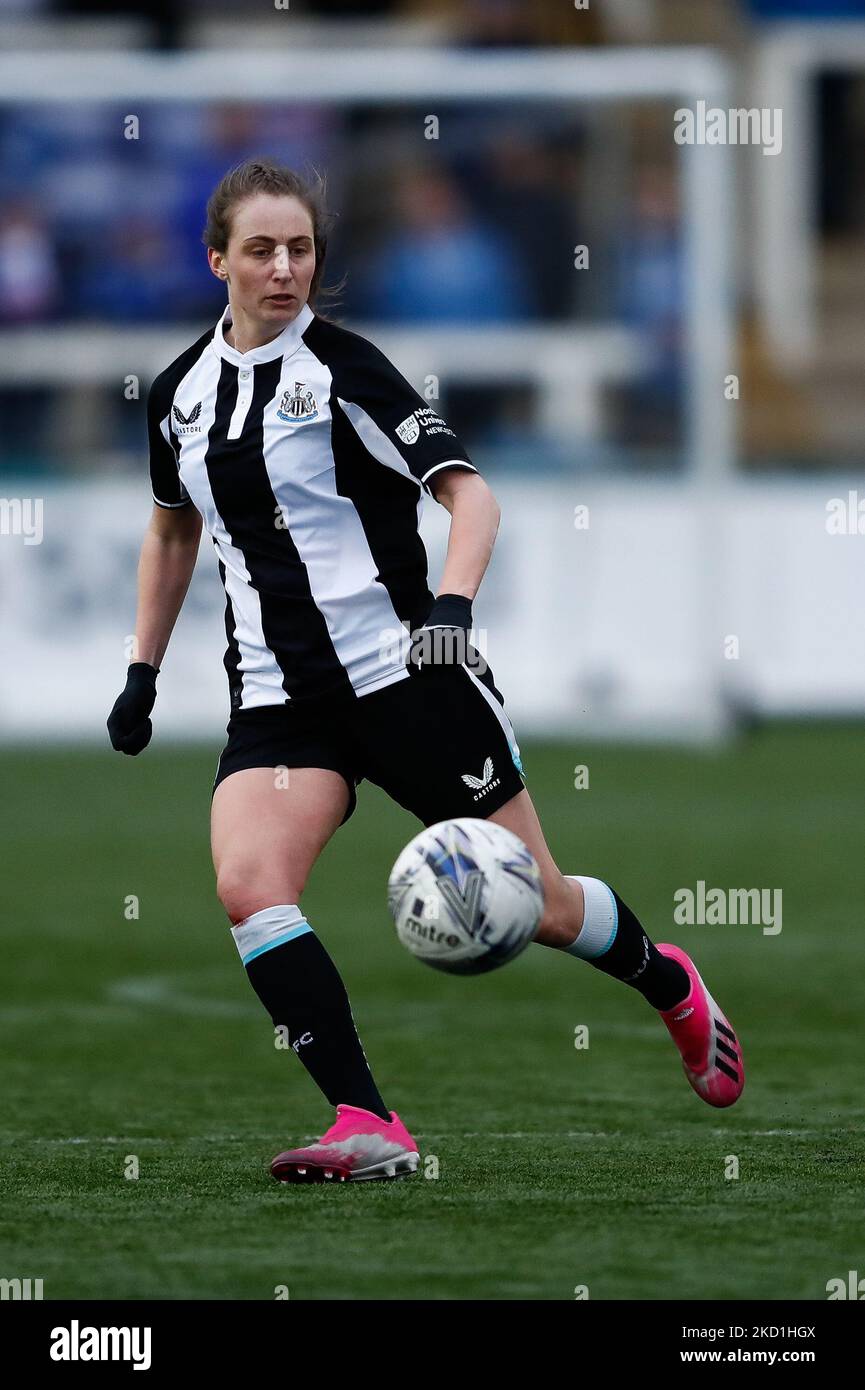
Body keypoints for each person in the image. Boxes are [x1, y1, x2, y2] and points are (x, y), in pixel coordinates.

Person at [107, 158, 744, 1185]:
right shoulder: (179, 394)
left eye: (301, 249)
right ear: (216, 256)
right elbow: (171, 529)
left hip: (408, 674)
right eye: (261, 250)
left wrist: (450, 606)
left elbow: (471, 495)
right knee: (248, 884)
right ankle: (368, 1119)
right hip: (279, 700)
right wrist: (142, 668)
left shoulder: (349, 371)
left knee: (541, 906)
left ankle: (666, 978)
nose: (283, 269)